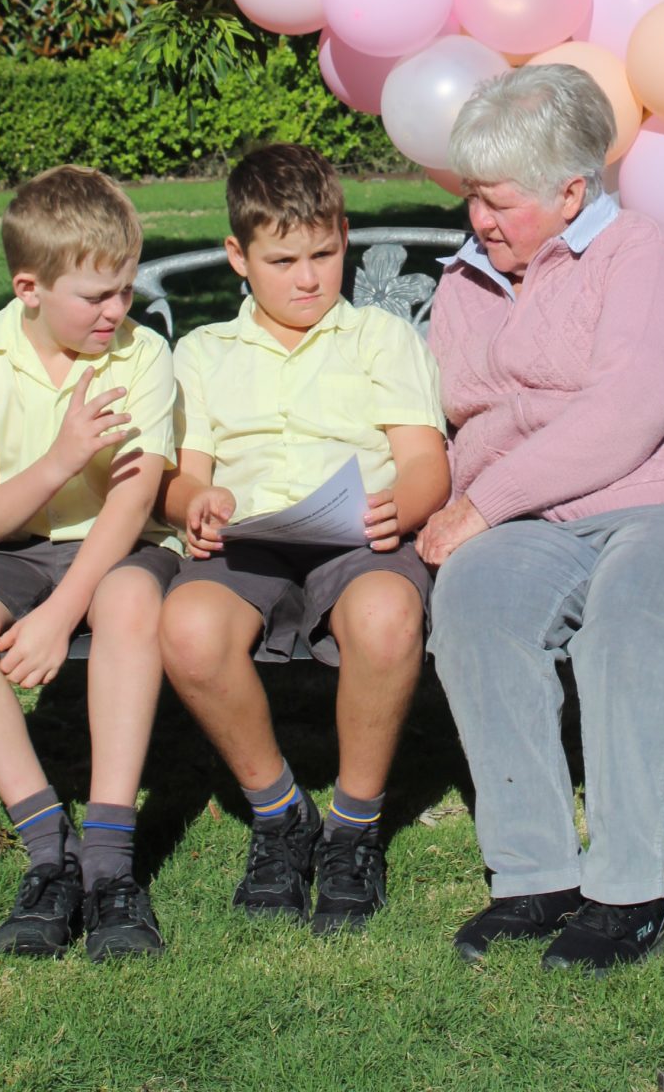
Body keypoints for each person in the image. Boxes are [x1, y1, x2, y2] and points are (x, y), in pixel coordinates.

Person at [420, 64, 664, 973]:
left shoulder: (639, 253)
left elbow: (628, 411)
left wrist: (487, 498)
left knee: (632, 614)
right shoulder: (464, 284)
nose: (480, 220)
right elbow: (450, 417)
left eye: (498, 201)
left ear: (572, 191)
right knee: (474, 598)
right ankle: (533, 873)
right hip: (543, 521)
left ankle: (626, 892)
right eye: (472, 198)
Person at [158, 143, 450, 933]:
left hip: (357, 533)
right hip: (249, 541)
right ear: (237, 257)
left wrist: (403, 504)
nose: (309, 277)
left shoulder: (380, 340)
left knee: (387, 618)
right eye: (282, 259)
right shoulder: (204, 354)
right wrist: (196, 500)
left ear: (344, 238)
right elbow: (181, 477)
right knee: (187, 629)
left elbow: (426, 462)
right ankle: (280, 813)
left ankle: (352, 829)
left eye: (324, 253)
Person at [0, 165, 180, 961]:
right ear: (28, 287)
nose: (116, 311)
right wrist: (62, 457)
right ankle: (46, 849)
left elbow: (135, 504)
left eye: (126, 290)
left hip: (116, 546)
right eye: (95, 297)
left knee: (130, 605)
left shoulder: (143, 356)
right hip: (10, 551)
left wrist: (62, 612)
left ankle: (108, 864)